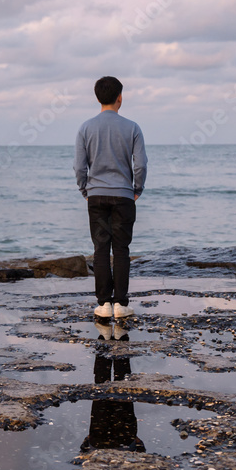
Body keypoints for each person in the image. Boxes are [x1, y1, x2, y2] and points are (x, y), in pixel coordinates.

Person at [74, 76, 147, 319]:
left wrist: (85, 190)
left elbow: (78, 166)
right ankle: (121, 304)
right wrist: (137, 189)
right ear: (120, 98)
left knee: (100, 248)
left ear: (97, 98)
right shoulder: (133, 127)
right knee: (122, 249)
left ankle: (104, 304)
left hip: (96, 196)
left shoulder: (85, 127)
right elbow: (141, 165)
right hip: (124, 196)